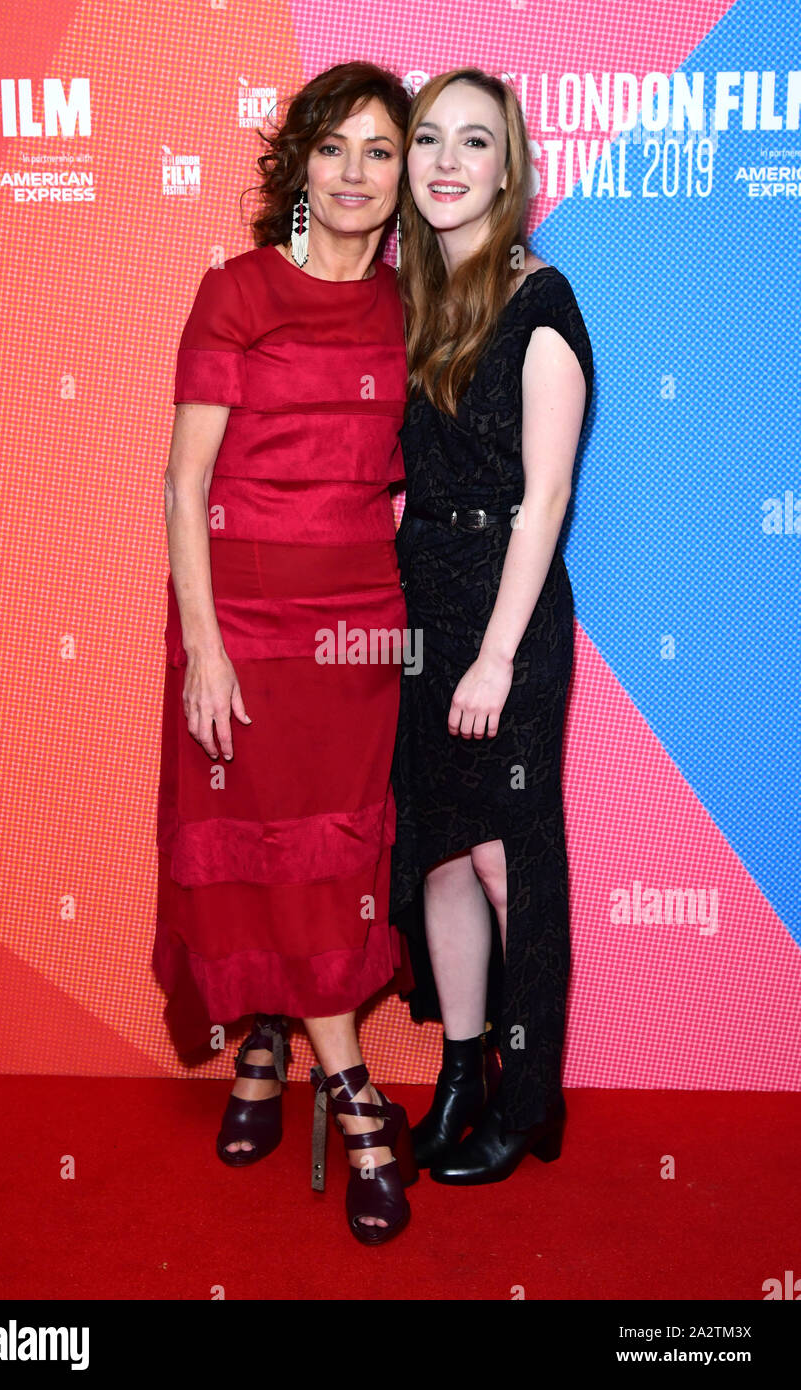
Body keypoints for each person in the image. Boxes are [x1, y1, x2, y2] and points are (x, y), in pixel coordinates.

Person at [152, 62, 419, 1242]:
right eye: (333, 148)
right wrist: (205, 648)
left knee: (328, 855)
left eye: (379, 151)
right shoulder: (236, 293)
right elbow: (182, 483)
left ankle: (267, 1041)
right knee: (258, 842)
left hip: (358, 633)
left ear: (407, 173)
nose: (355, 174)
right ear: (297, 165)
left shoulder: (411, 311)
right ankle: (352, 1090)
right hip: (242, 631)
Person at [389, 68, 594, 1184]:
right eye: (429, 140)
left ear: (509, 167)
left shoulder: (540, 300)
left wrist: (496, 655)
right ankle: (458, 1071)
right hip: (418, 610)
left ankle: (529, 1093)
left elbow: (546, 498)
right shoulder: (413, 300)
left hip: (500, 615)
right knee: (438, 862)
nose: (446, 163)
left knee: (510, 863)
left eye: (475, 142)